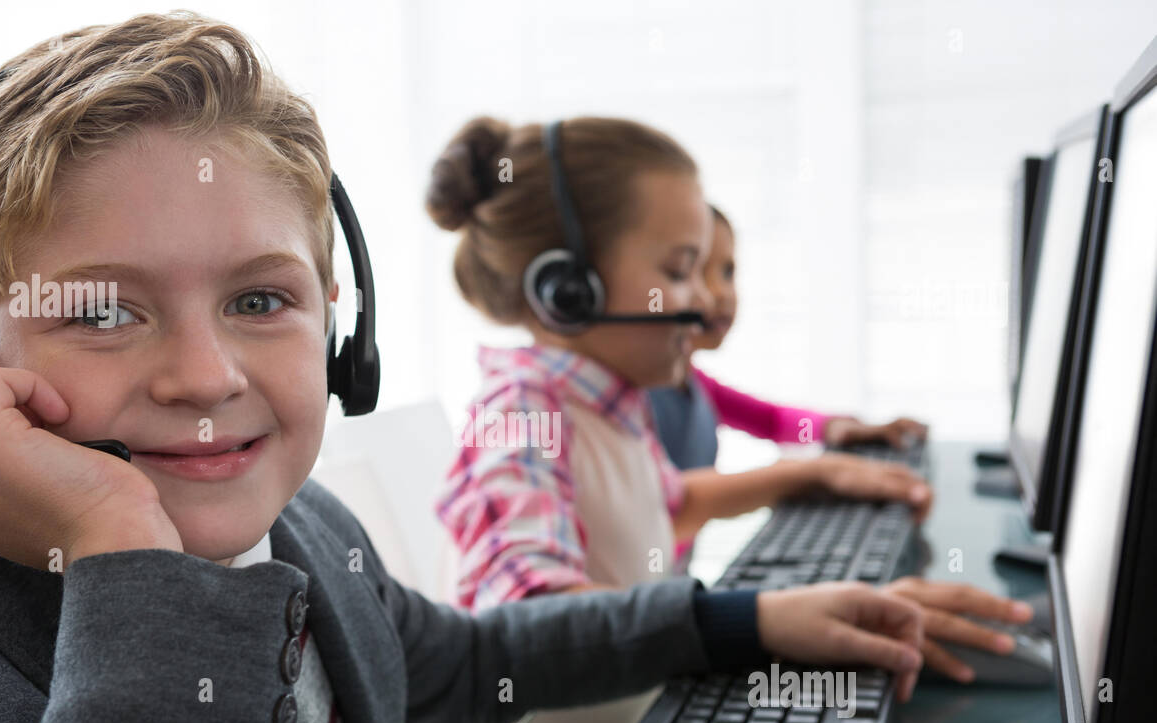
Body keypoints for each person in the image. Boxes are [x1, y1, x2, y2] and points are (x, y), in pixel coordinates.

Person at [0, 12, 953, 723]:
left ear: (340, 329)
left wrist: (736, 618)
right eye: (100, 311)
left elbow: (475, 665)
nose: (204, 376)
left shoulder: (307, 534)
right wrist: (122, 556)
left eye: (257, 300)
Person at [430, 115, 1028, 683]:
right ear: (567, 290)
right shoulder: (519, 415)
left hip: (629, 713)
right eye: (681, 268)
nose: (704, 302)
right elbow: (523, 627)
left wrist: (815, 476)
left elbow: (668, 505)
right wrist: (759, 621)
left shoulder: (607, 399)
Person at [649, 205, 929, 572]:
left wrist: (831, 428)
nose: (719, 292)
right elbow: (663, 500)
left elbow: (772, 419)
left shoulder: (695, 384)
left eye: (728, 271)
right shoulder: (633, 397)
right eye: (694, 272)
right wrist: (809, 475)